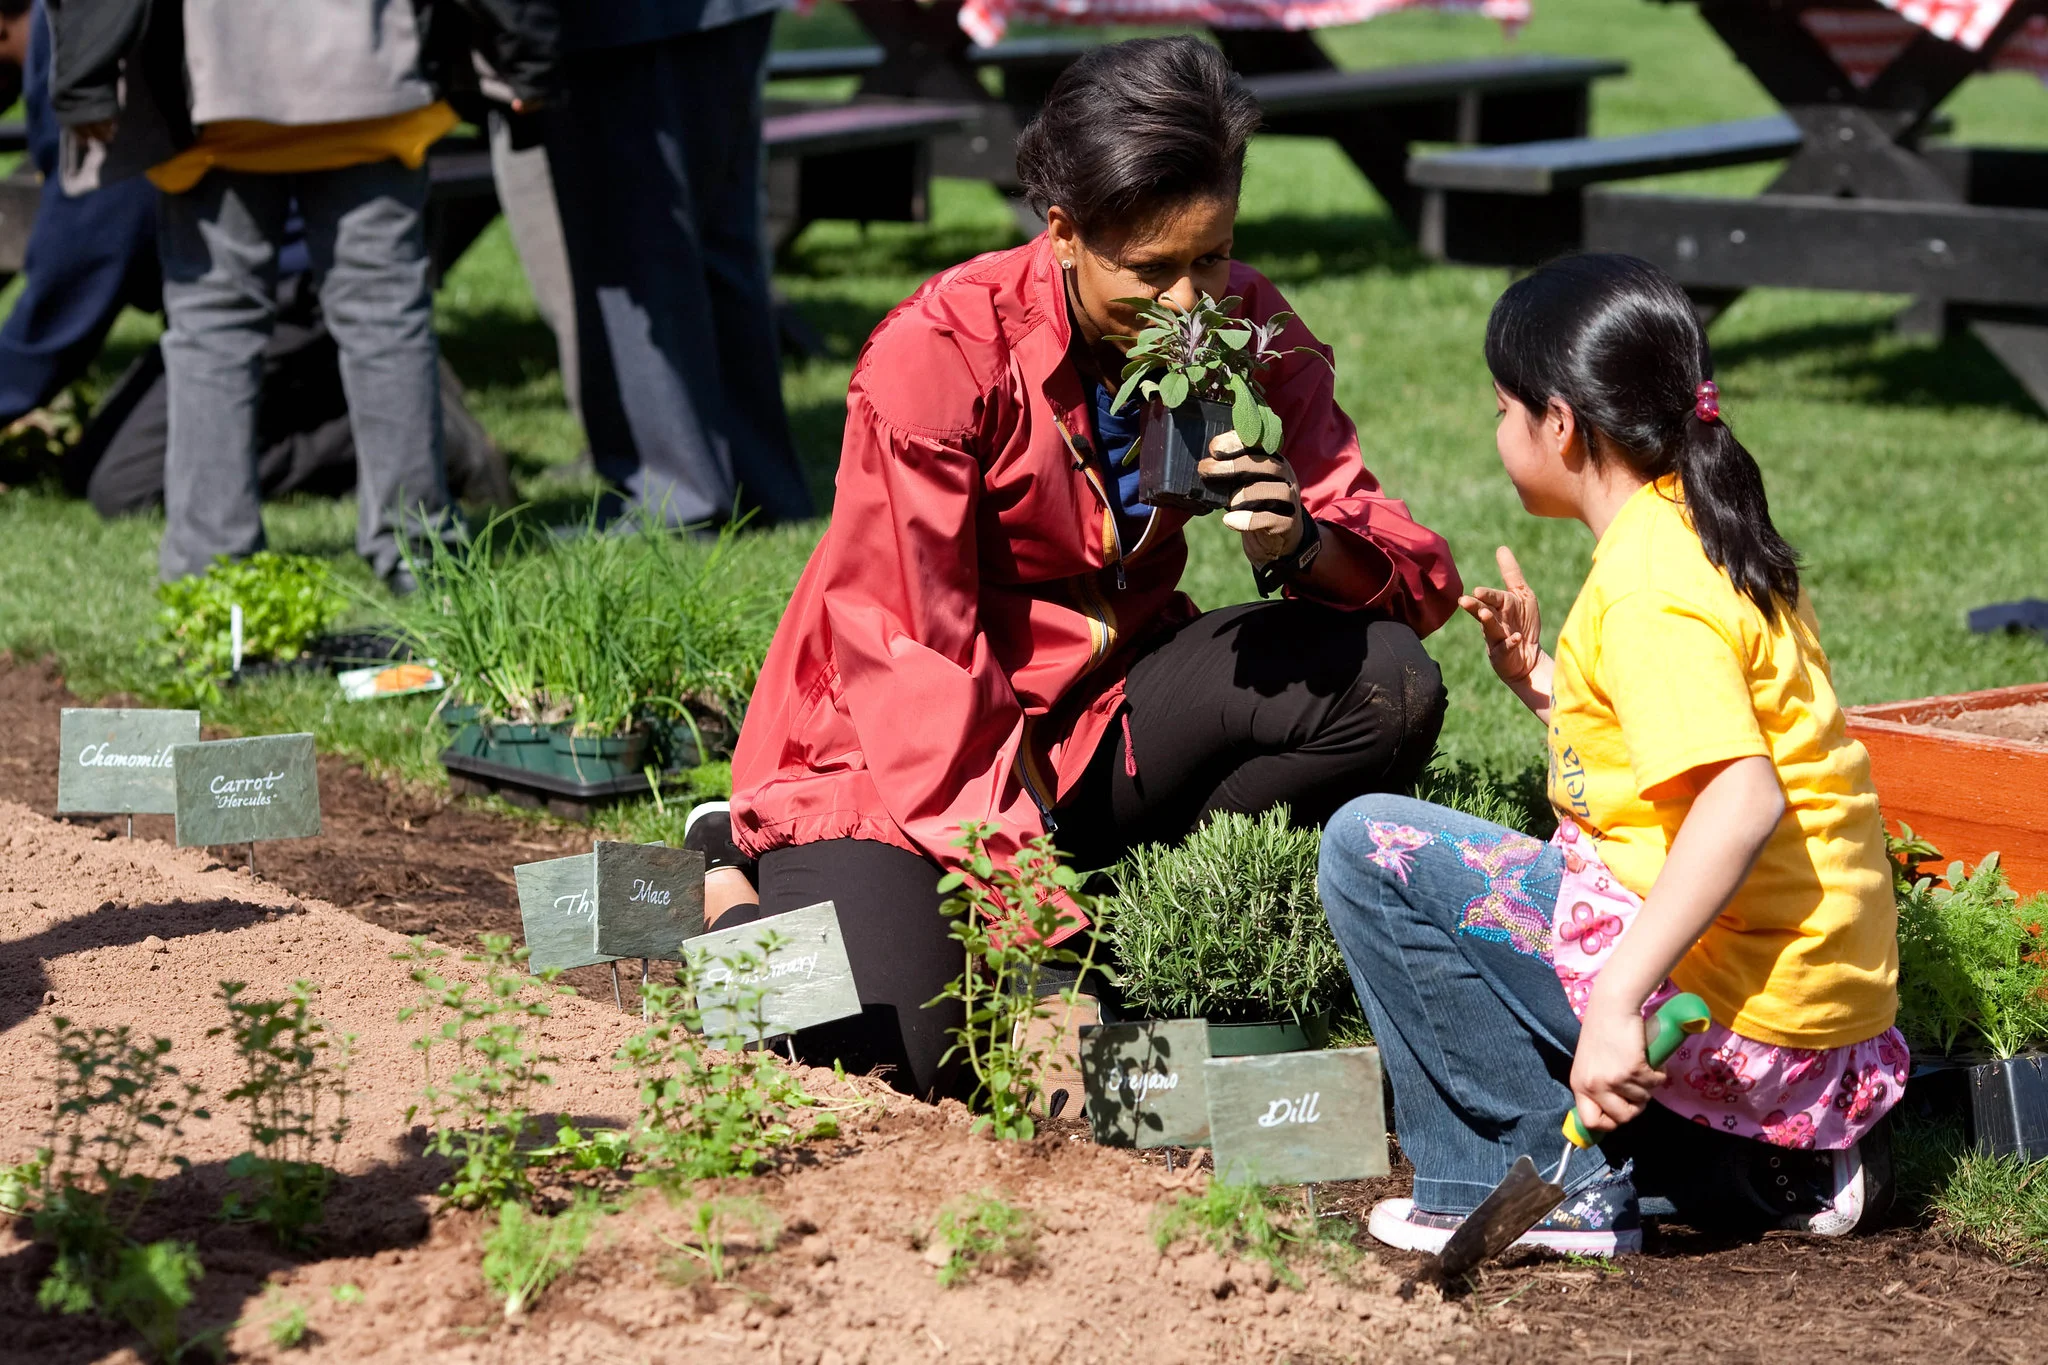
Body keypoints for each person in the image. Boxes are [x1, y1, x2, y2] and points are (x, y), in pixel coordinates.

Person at [718, 38, 1463, 1100]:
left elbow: (1410, 572)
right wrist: (1036, 934)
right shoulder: (940, 354)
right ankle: (724, 873)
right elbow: (917, 662)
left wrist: (1302, 542)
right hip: (895, 747)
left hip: (1096, 711)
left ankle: (1127, 917)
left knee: (1387, 684)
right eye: (1150, 271)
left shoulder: (1243, 327)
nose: (1188, 305)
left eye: (1211, 258)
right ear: (1063, 233)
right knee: (885, 1060)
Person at [1318, 254, 1906, 1258]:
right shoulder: (1706, 526)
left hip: (1736, 1021)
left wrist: (1617, 1006)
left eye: (1501, 410)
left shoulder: (1646, 587)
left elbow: (1739, 798)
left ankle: (1529, 1180)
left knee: (1369, 847)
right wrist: (1543, 686)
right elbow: (1674, 753)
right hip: (1820, 1022)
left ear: (1559, 422)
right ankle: (1764, 1172)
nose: (1496, 432)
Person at [48, 0, 556, 587]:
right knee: (386, 320)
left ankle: (211, 570)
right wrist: (525, 53)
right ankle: (418, 551)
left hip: (220, 80)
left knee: (213, 331)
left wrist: (85, 77)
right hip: (368, 70)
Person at [544, 0, 813, 529]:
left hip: (626, 26)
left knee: (637, 250)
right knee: (718, 243)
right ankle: (759, 485)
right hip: (720, 15)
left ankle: (672, 496)